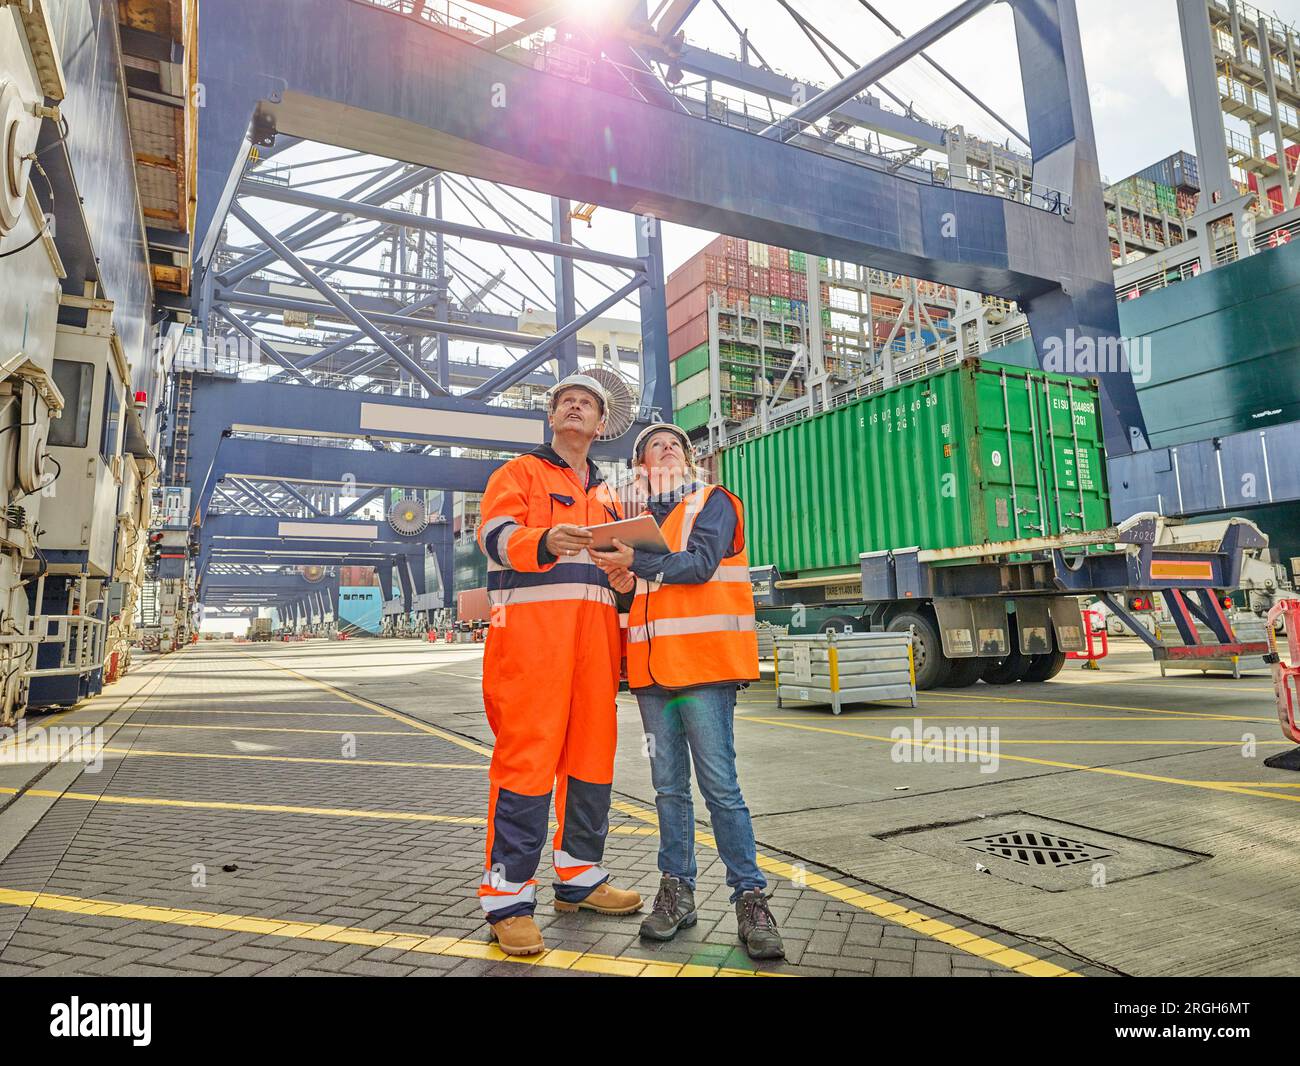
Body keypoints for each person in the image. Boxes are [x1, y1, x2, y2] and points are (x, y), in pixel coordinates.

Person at [590, 423, 784, 961]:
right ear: (641, 468)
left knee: (721, 787)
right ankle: (676, 891)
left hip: (703, 670)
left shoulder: (712, 502)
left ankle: (750, 896)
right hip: (652, 676)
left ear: (689, 460)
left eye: (676, 444)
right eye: (655, 445)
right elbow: (645, 595)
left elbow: (699, 567)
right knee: (669, 790)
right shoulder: (636, 527)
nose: (668, 448)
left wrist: (636, 563)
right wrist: (625, 583)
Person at [475, 373, 642, 956]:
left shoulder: (611, 494)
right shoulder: (519, 473)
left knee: (592, 760)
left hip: (594, 648)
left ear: (600, 425)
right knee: (527, 763)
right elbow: (495, 536)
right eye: (565, 401)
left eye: (587, 403)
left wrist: (626, 570)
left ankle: (579, 878)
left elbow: (618, 580)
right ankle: (508, 899)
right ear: (553, 417)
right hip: (531, 645)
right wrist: (545, 540)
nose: (575, 406)